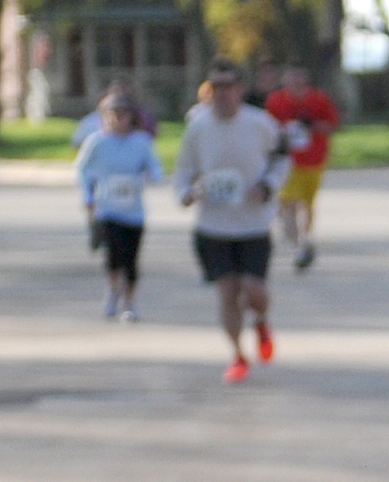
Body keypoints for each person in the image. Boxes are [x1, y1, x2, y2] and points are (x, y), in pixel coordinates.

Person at [175, 58, 290, 384]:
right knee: (227, 293)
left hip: (253, 225)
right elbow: (184, 169)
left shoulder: (261, 123)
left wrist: (268, 186)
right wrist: (186, 192)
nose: (223, 93)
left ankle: (262, 321)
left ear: (240, 90)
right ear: (209, 90)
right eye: (217, 87)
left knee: (253, 289)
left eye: (229, 86)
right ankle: (239, 355)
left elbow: (282, 158)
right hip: (213, 226)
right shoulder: (198, 127)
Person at [75, 89, 165, 321]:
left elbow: (156, 169)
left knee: (131, 260)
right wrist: (88, 195)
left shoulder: (141, 142)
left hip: (134, 211)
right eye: (112, 114)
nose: (117, 119)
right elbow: (82, 169)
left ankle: (130, 300)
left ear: (131, 117)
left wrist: (149, 176)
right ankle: (112, 290)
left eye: (122, 114)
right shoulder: (97, 142)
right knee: (113, 255)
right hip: (108, 208)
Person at [266, 63, 341, 269]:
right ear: (285, 80)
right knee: (289, 203)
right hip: (287, 161)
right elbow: (268, 129)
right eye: (292, 78)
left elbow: (333, 125)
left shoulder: (319, 99)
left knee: (307, 204)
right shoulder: (276, 100)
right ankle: (298, 245)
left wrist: (313, 125)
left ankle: (306, 239)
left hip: (314, 160)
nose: (296, 83)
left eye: (300, 78)